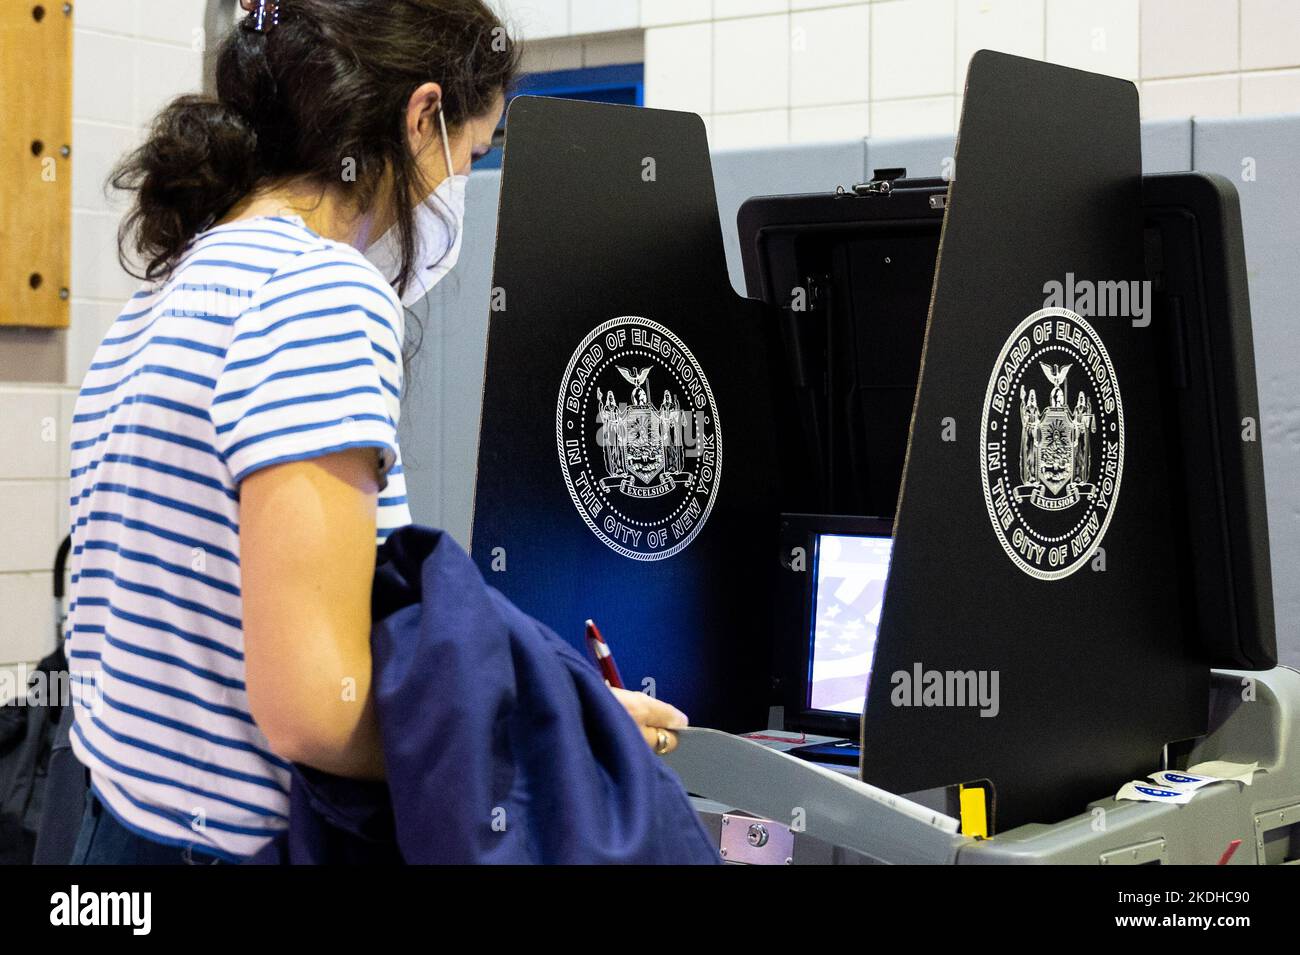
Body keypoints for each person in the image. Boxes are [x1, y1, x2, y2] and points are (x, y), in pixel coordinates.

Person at [64, 0, 687, 865]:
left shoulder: (171, 287)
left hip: (115, 840)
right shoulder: (320, 291)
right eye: (473, 154)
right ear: (422, 115)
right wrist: (563, 728)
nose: (463, 186)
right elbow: (316, 707)